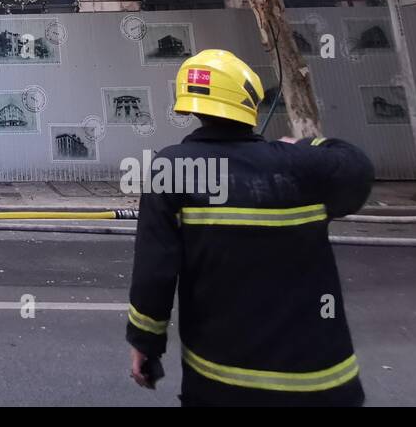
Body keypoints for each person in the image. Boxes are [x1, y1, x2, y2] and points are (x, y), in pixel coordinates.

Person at [126, 48, 375, 406]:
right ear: (250, 104)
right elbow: (357, 166)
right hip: (323, 383)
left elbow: (154, 272)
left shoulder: (175, 169)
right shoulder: (304, 167)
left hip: (222, 381)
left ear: (193, 108)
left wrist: (145, 344)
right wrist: (307, 147)